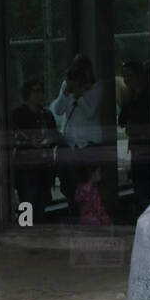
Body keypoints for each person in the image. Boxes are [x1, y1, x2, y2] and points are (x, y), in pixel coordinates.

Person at [49, 54, 107, 221]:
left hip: (88, 145)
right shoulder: (67, 85)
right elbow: (58, 110)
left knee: (88, 187)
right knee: (69, 186)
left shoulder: (97, 87)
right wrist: (66, 93)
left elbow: (90, 112)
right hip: (70, 145)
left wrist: (78, 95)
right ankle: (74, 215)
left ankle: (89, 217)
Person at [10, 78, 61, 216]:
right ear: (27, 94)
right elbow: (10, 139)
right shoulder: (18, 114)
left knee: (42, 204)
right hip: (27, 168)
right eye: (36, 91)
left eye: (41, 91)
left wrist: (53, 139)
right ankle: (25, 234)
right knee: (27, 204)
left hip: (45, 167)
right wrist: (28, 143)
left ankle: (39, 234)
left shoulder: (47, 114)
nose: (40, 95)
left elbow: (56, 135)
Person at [118, 60, 150, 215]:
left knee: (147, 190)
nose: (127, 80)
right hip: (138, 151)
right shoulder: (131, 98)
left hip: (149, 151)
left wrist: (140, 131)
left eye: (130, 76)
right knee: (141, 189)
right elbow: (121, 121)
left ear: (139, 76)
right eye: (124, 76)